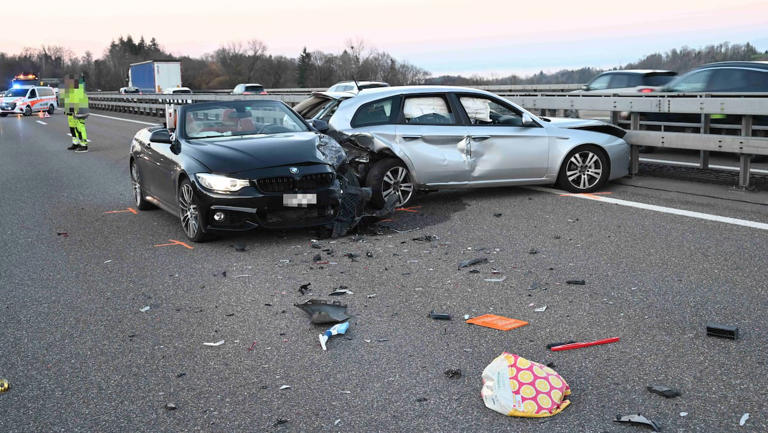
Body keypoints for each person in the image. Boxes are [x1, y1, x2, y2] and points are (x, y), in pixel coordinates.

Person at [62, 75, 90, 152]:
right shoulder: (71, 91)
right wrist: (68, 110)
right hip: (72, 112)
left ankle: (84, 145)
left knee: (80, 128)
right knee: (73, 128)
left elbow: (79, 101)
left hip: (78, 112)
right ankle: (76, 143)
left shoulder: (79, 91)